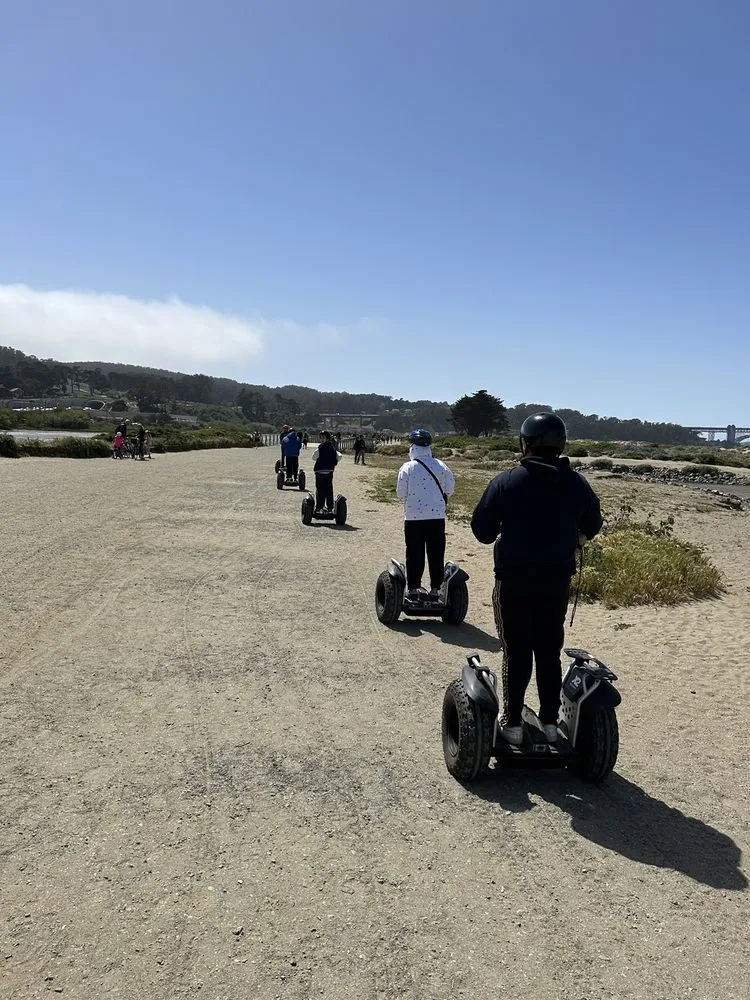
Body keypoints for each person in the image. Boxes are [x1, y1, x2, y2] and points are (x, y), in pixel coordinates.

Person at [470, 412, 603, 746]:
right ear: (560, 444)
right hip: (556, 580)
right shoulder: (577, 483)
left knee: (515, 649)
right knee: (548, 648)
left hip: (514, 580)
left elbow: (482, 532)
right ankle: (548, 721)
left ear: (525, 442)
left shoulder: (507, 481)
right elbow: (594, 523)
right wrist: (575, 540)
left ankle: (512, 722)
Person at [395, 429, 455, 603]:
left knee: (414, 552)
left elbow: (400, 493)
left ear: (413, 447)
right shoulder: (441, 465)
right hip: (437, 517)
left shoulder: (407, 467)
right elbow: (450, 489)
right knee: (436, 552)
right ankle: (435, 590)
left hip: (413, 517)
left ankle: (413, 589)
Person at [313, 431, 339, 512]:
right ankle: (330, 507)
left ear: (327, 438)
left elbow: (314, 457)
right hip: (329, 471)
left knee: (320, 489)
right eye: (320, 438)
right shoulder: (332, 448)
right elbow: (338, 457)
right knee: (329, 489)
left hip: (319, 471)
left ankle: (319, 507)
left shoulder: (320, 448)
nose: (321, 439)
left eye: (323, 438)